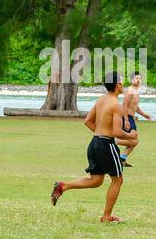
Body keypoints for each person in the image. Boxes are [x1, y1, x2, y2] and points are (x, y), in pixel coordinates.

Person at [51, 72, 134, 223]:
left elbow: (88, 121)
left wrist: (100, 134)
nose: (123, 85)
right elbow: (116, 132)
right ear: (117, 85)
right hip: (105, 145)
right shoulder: (116, 105)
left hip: (95, 143)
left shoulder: (101, 100)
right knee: (118, 179)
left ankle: (63, 186)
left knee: (96, 180)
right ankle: (106, 216)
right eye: (122, 82)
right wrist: (131, 136)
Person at [121, 71, 151, 164]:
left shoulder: (136, 92)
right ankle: (115, 141)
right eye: (136, 78)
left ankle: (122, 159)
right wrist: (126, 120)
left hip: (131, 118)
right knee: (134, 141)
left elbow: (135, 107)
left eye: (140, 78)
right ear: (131, 80)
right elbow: (124, 106)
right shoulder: (130, 91)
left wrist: (144, 114)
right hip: (126, 117)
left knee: (134, 141)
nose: (138, 80)